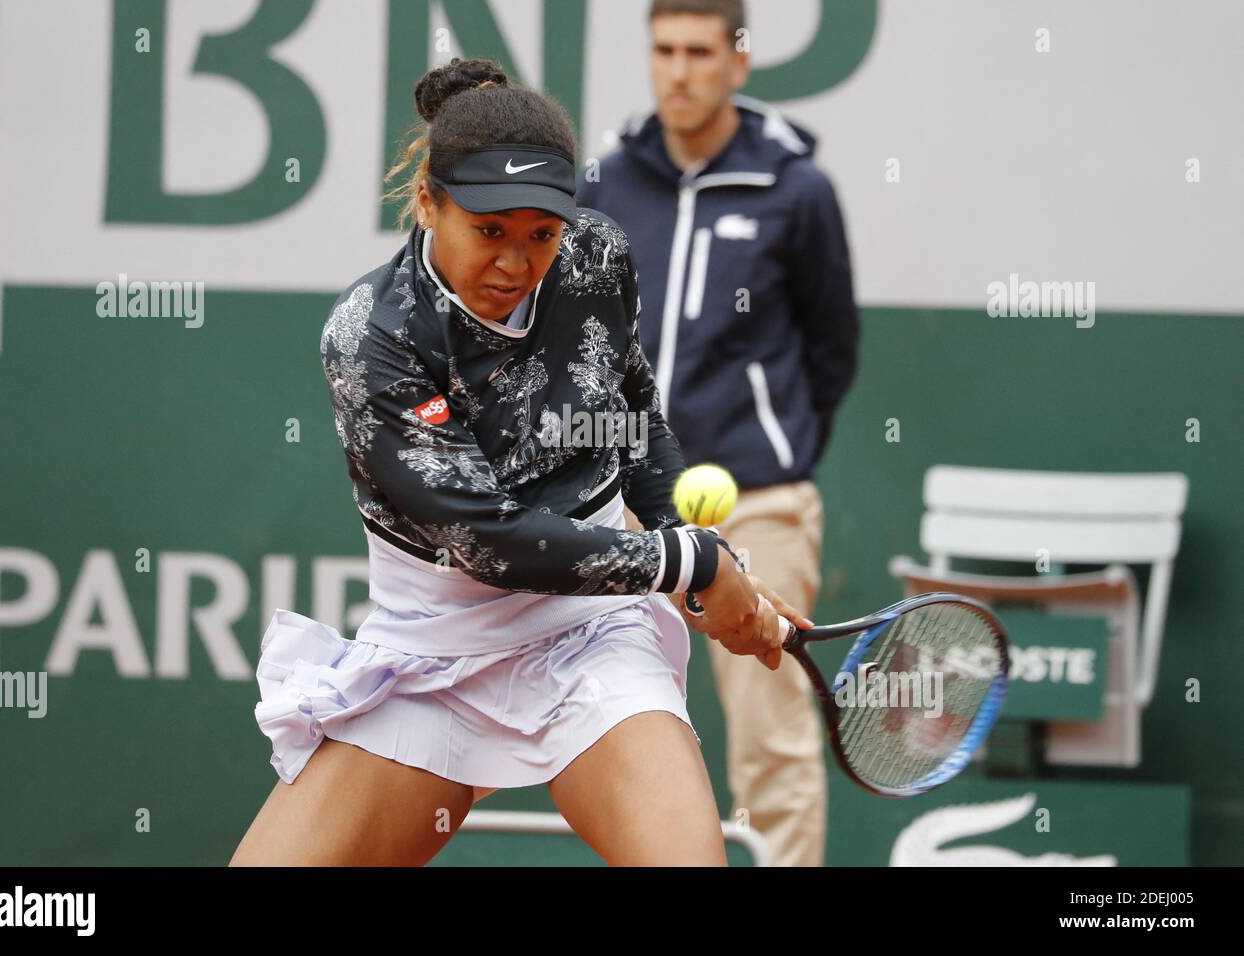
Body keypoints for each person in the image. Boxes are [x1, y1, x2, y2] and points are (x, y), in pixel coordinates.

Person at [229, 57, 813, 867]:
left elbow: (632, 418)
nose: (515, 262)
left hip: (591, 637)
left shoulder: (595, 259)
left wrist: (697, 558)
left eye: (541, 234)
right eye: (490, 231)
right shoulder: (373, 333)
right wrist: (691, 561)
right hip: (434, 651)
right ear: (430, 203)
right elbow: (487, 542)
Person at [576, 0, 860, 866]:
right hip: (624, 511)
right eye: (663, 50)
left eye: (700, 51)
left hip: (756, 503)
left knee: (771, 751)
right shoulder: (606, 182)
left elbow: (830, 348)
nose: (679, 70)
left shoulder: (796, 190)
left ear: (739, 62)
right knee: (604, 731)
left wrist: (766, 451)